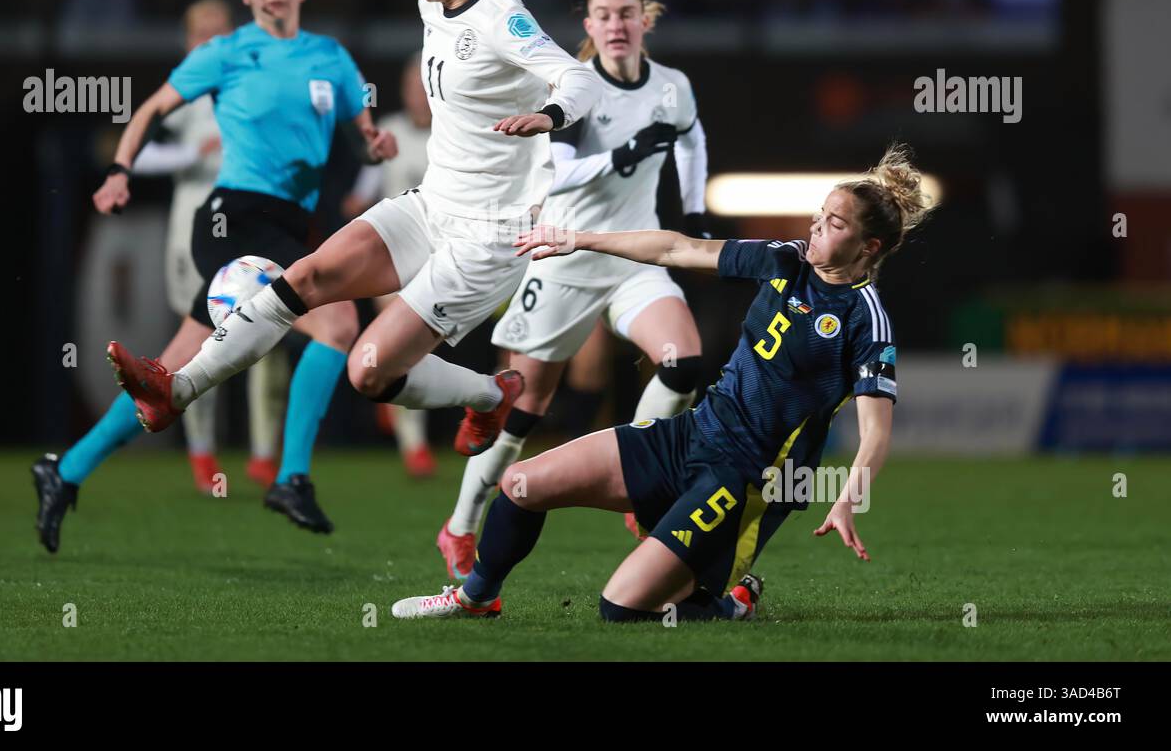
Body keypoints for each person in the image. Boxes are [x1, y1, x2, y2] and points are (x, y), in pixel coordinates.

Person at [108, 0, 603, 470]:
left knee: (368, 371)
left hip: (488, 234)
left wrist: (549, 116)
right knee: (306, 276)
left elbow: (577, 77)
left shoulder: (502, 19)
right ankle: (175, 390)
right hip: (431, 205)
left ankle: (489, 395)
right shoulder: (435, 0)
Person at [391, 143, 932, 622]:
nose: (816, 225)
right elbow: (677, 249)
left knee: (620, 608)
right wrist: (579, 238)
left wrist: (848, 499)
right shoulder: (786, 260)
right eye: (821, 214)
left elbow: (876, 431)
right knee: (521, 484)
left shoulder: (865, 319)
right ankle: (475, 599)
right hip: (692, 434)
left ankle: (730, 603)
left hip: (744, 480)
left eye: (835, 224)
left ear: (869, 247)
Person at [32, 0, 396, 552]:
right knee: (338, 325)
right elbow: (151, 109)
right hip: (234, 219)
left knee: (170, 377)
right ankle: (292, 477)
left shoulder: (331, 57)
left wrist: (374, 143)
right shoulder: (226, 52)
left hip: (288, 226)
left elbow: (364, 130)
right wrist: (120, 171)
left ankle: (64, 472)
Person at [436, 0, 711, 579]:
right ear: (589, 25)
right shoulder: (578, 87)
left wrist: (693, 213)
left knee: (684, 362)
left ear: (645, 20)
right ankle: (459, 524)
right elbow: (555, 173)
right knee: (525, 408)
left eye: (626, 13)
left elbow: (691, 139)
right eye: (604, 15)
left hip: (634, 257)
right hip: (563, 257)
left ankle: (642, 478)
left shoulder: (672, 85)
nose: (616, 24)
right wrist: (623, 155)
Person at [129, 0, 290, 493]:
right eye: (202, 33)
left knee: (268, 332)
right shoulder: (184, 92)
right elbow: (135, 152)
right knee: (199, 338)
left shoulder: (252, 86)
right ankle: (203, 454)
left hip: (249, 224)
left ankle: (264, 456)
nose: (212, 41)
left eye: (220, 32)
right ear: (188, 41)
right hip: (193, 228)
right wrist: (190, 154)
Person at [341, 52, 436, 478]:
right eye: (412, 88)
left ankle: (388, 389)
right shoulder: (390, 131)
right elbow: (363, 190)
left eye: (424, 88)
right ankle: (415, 447)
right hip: (395, 256)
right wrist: (358, 204)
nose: (419, 96)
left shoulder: (452, 133)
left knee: (413, 349)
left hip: (442, 258)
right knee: (402, 342)